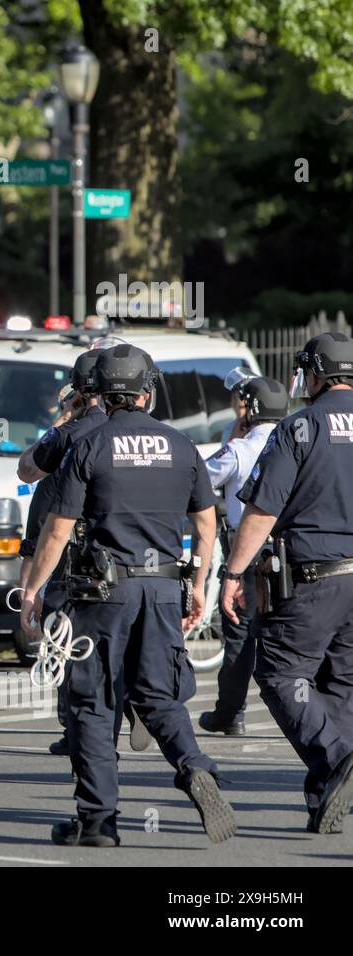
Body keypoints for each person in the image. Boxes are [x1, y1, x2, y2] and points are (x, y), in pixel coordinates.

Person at [22, 344, 235, 847]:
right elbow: (206, 522)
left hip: (102, 593)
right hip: (163, 589)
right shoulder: (181, 445)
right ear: (147, 391)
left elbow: (57, 531)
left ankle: (98, 821)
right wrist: (198, 583)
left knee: (93, 702)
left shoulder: (89, 446)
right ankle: (194, 766)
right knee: (159, 695)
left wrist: (32, 590)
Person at [221, 332, 353, 835]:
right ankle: (326, 803)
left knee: (280, 673)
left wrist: (233, 573)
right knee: (341, 685)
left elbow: (262, 509)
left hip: (313, 577)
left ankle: (339, 759)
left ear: (316, 373)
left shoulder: (300, 427)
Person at [15, 350, 151, 756]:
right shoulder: (145, 432)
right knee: (128, 639)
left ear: (78, 387)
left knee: (72, 642)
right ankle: (133, 701)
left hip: (78, 557)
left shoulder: (75, 432)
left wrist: (62, 419)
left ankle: (79, 728)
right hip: (138, 553)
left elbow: (28, 471)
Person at [199, 376, 287, 737]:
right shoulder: (293, 441)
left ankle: (230, 712)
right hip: (288, 548)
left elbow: (202, 478)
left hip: (245, 549)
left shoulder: (240, 448)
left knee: (239, 633)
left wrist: (231, 438)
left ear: (252, 409)